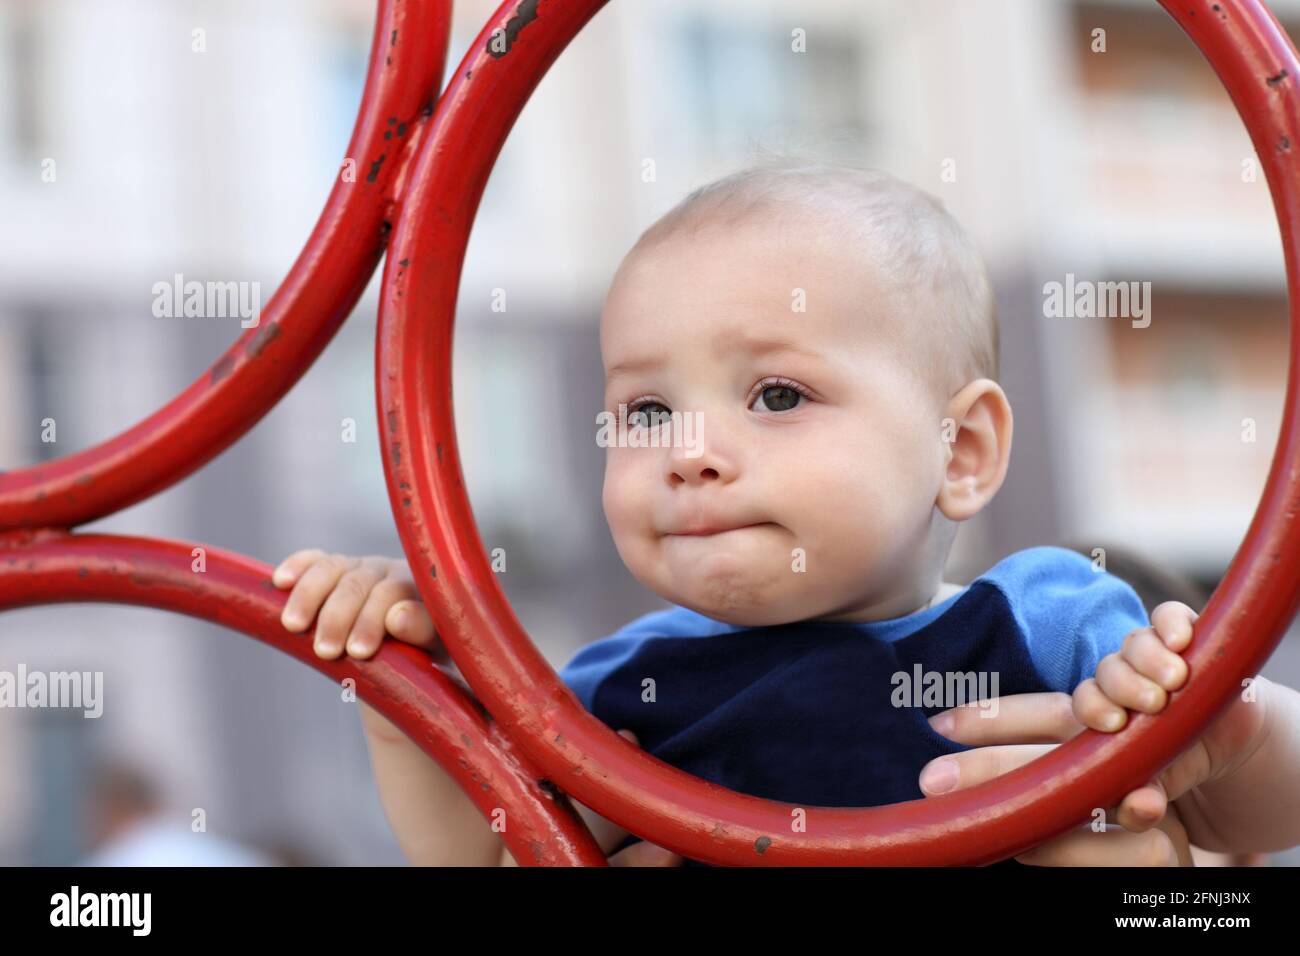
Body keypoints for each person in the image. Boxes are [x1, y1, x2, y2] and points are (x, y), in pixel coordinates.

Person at [274, 158, 1298, 865]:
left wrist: (1219, 731)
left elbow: (1243, 804)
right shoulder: (625, 683)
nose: (689, 453)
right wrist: (410, 698)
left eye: (775, 396)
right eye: (645, 409)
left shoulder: (1047, 620)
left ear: (962, 450)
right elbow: (494, 848)